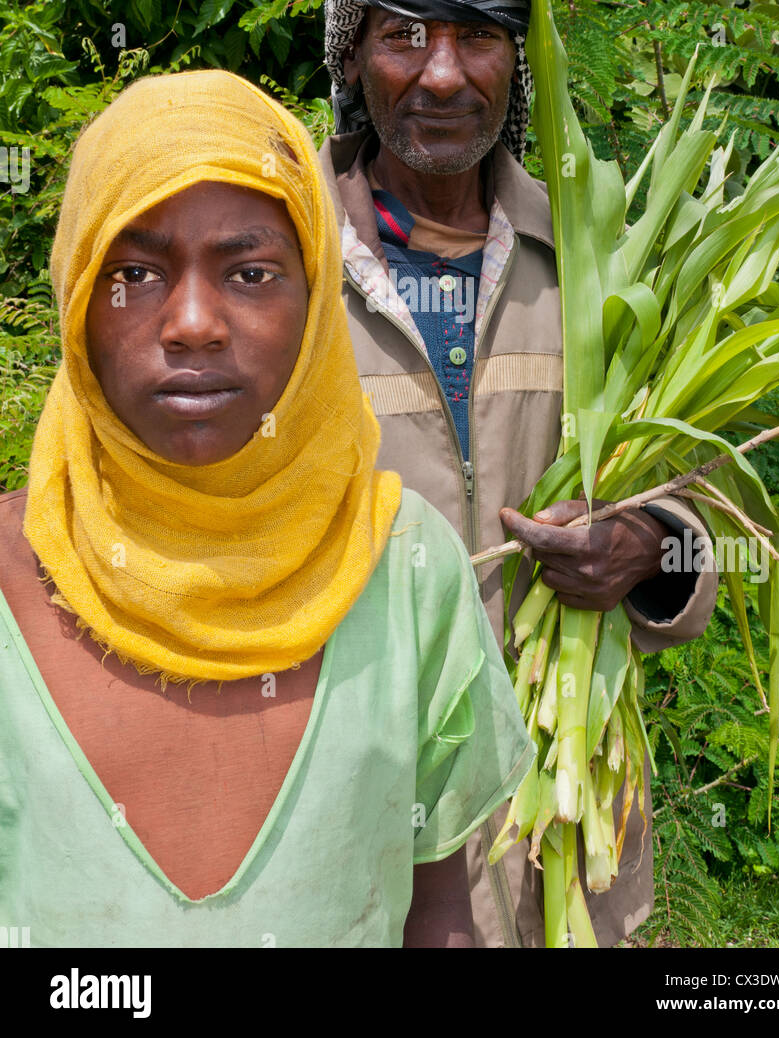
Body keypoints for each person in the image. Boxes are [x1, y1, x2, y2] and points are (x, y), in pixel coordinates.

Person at [0, 68, 534, 948]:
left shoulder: (402, 570)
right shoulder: (10, 578)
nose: (195, 323)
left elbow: (439, 915)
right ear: (79, 298)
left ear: (318, 297)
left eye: (250, 272)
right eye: (134, 271)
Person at [319, 0, 719, 948]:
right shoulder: (275, 262)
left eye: (478, 34)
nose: (441, 75)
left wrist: (652, 546)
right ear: (353, 56)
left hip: (568, 846)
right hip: (353, 844)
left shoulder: (601, 255)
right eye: (404, 33)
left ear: (518, 62)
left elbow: (715, 513)